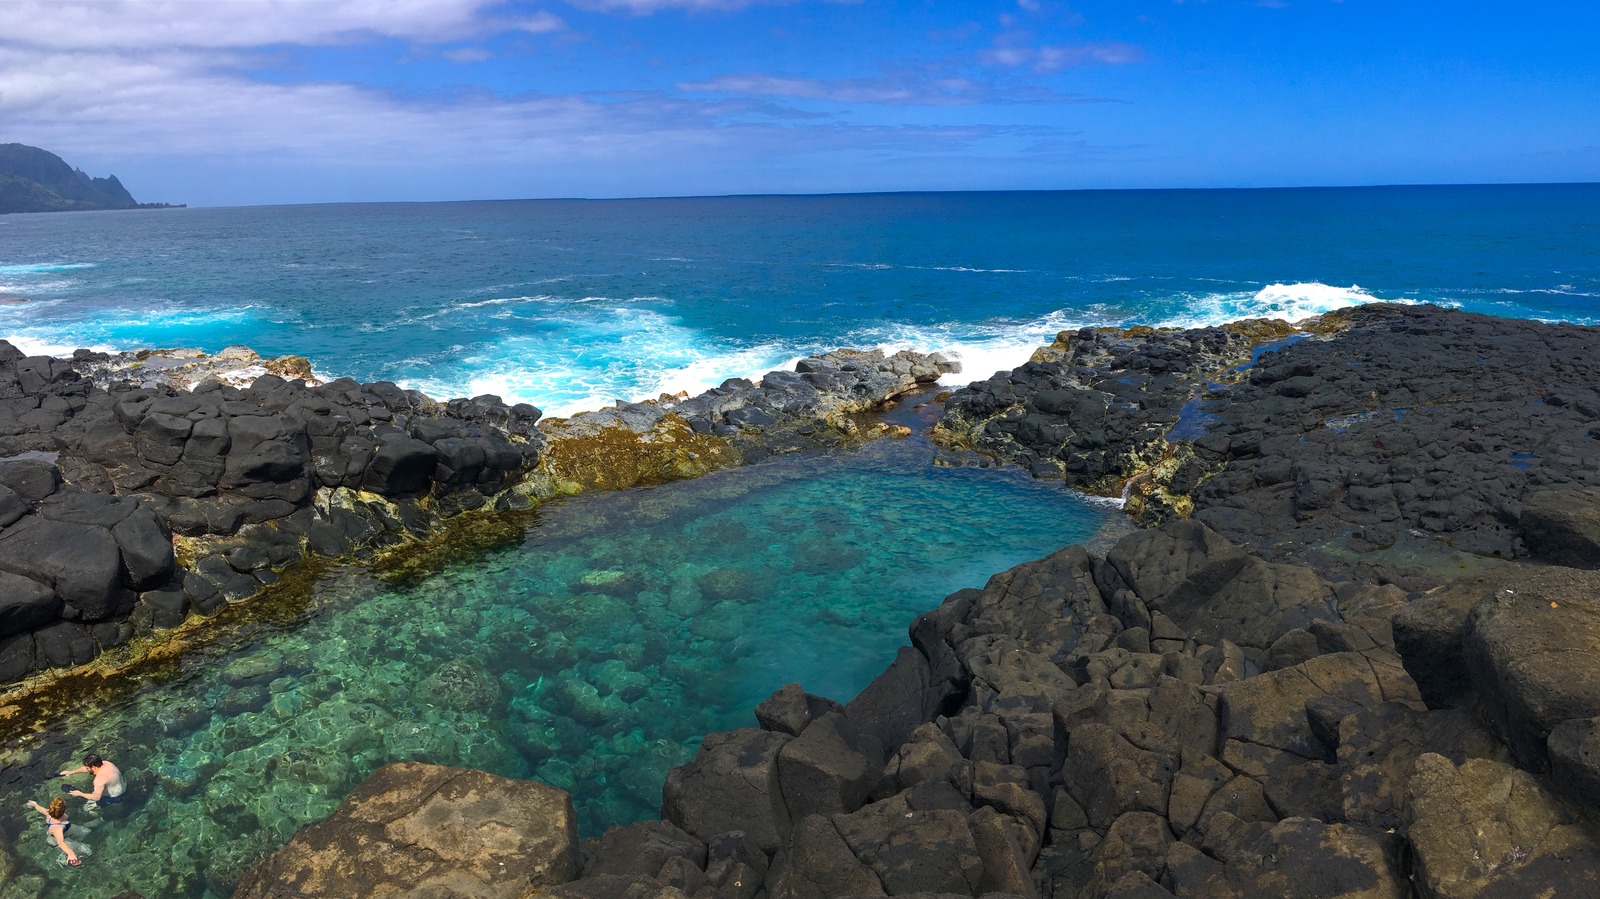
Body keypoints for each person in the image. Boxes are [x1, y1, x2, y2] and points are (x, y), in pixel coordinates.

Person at [25, 796, 81, 866]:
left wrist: (35, 804)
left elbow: (41, 809)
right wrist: (70, 852)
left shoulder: (49, 813)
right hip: (55, 839)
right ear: (63, 810)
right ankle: (65, 861)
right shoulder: (57, 828)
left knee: (85, 831)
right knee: (81, 849)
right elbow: (60, 842)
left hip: (64, 832)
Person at [59, 753, 125, 805]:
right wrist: (70, 772)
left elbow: (97, 797)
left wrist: (80, 794)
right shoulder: (106, 763)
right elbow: (85, 768)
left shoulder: (99, 779)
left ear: (93, 767)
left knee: (87, 808)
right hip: (122, 786)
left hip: (113, 797)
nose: (86, 770)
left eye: (88, 768)